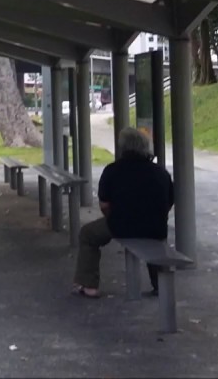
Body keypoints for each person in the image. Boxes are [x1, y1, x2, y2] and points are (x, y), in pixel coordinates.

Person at [72, 126, 175, 298]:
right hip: (155, 228)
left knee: (87, 234)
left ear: (122, 147)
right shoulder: (161, 173)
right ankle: (159, 284)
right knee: (155, 240)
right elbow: (169, 202)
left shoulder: (113, 170)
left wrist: (116, 218)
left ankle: (88, 285)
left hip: (120, 225)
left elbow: (104, 204)